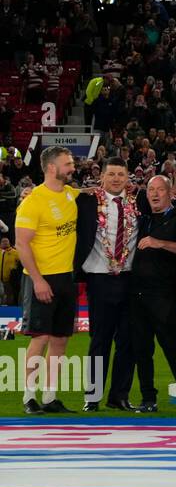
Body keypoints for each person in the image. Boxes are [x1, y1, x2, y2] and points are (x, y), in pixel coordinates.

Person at [13, 146, 80, 415]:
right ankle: (29, 397)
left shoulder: (70, 194)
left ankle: (51, 397)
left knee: (60, 340)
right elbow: (21, 244)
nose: (72, 168)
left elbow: (88, 194)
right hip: (40, 278)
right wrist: (39, 281)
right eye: (68, 164)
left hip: (66, 277)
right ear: (51, 168)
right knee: (39, 339)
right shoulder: (33, 201)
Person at [74, 156, 140, 411]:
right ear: (101, 176)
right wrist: (80, 190)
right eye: (111, 174)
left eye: (120, 175)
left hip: (130, 279)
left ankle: (119, 397)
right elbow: (58, 195)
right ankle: (92, 397)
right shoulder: (87, 201)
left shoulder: (138, 201)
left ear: (127, 178)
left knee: (127, 341)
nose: (116, 179)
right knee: (99, 340)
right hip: (99, 278)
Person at [130, 175, 176, 413]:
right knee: (142, 349)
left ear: (171, 193)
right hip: (136, 295)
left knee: (173, 347)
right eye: (150, 190)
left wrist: (160, 243)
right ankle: (149, 399)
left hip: (163, 294)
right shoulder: (143, 219)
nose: (155, 194)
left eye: (160, 189)